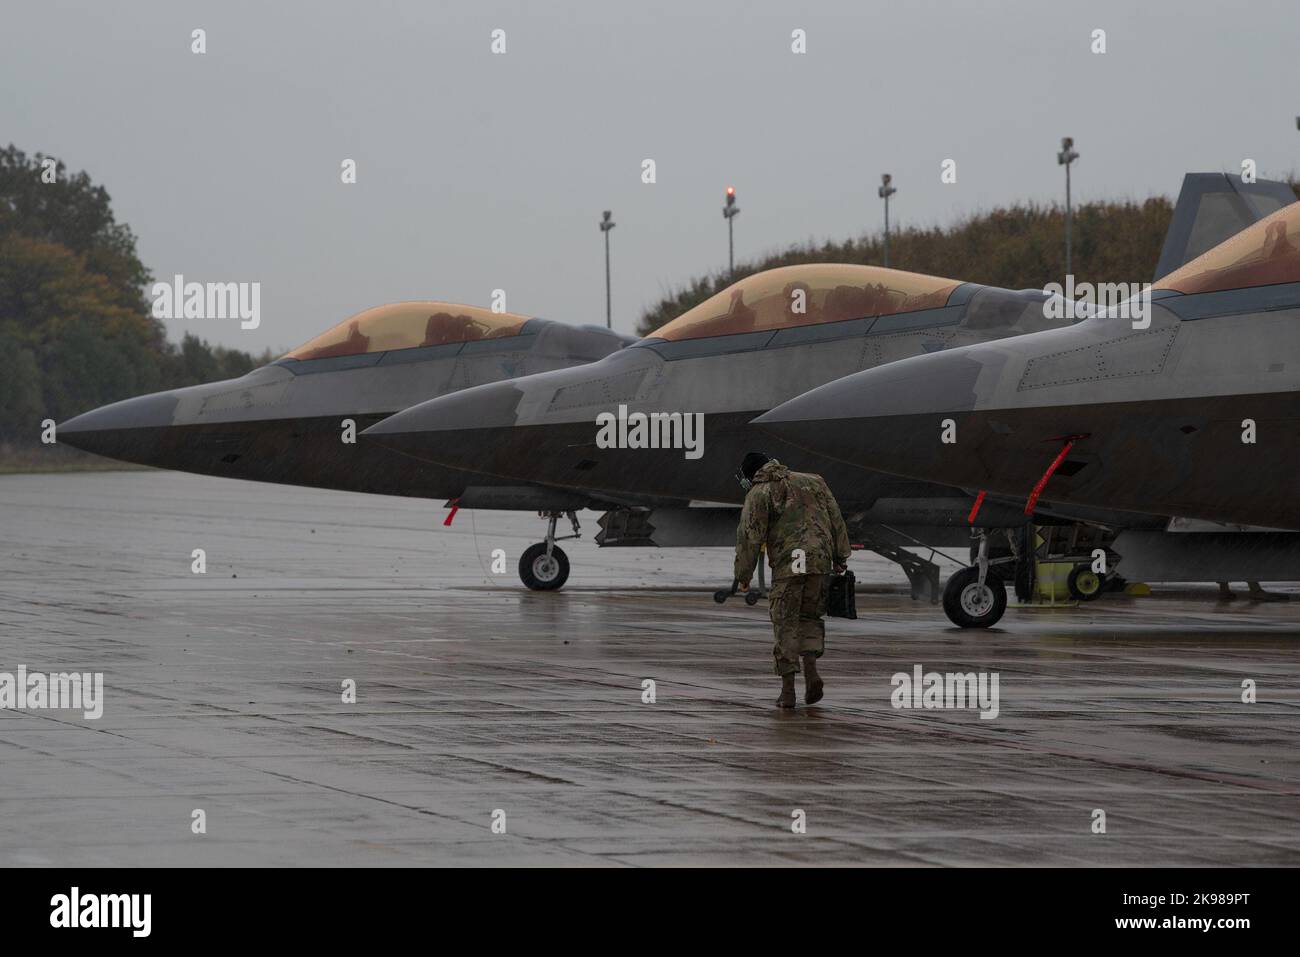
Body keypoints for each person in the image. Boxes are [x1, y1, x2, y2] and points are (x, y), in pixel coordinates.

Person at [733, 451, 851, 708]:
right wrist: (841, 556)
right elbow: (835, 519)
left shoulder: (759, 493)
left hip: (789, 565)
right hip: (819, 563)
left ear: (751, 474)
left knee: (785, 623)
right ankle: (812, 674)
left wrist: (744, 575)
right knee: (810, 618)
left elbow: (749, 537)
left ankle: (788, 692)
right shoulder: (814, 481)